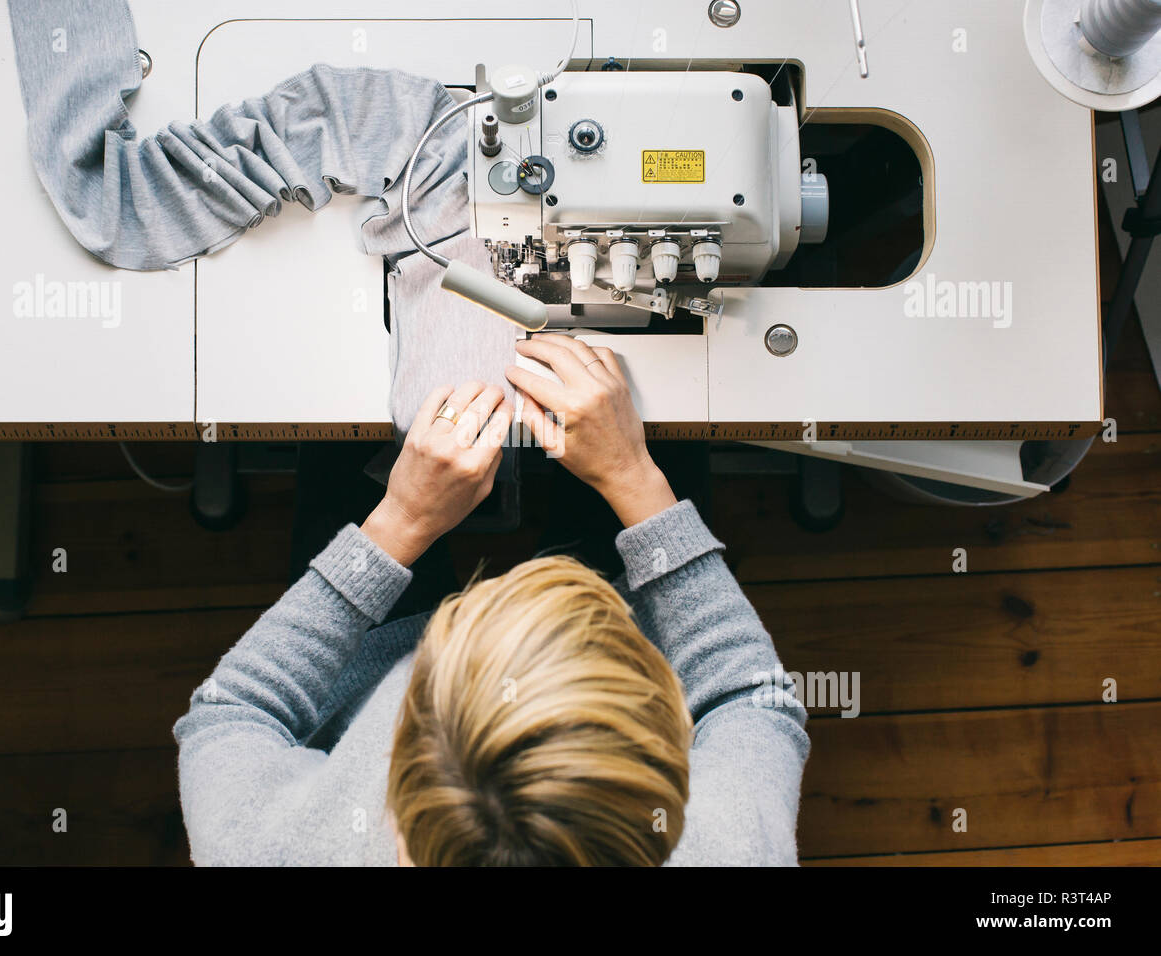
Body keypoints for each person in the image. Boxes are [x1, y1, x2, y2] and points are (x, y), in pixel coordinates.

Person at [173, 334, 809, 866]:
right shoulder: (733, 852)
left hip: (382, 656)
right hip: (605, 612)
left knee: (346, 373)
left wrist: (397, 522)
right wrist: (632, 477)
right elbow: (750, 698)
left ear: (397, 827)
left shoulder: (263, 852)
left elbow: (233, 712)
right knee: (643, 375)